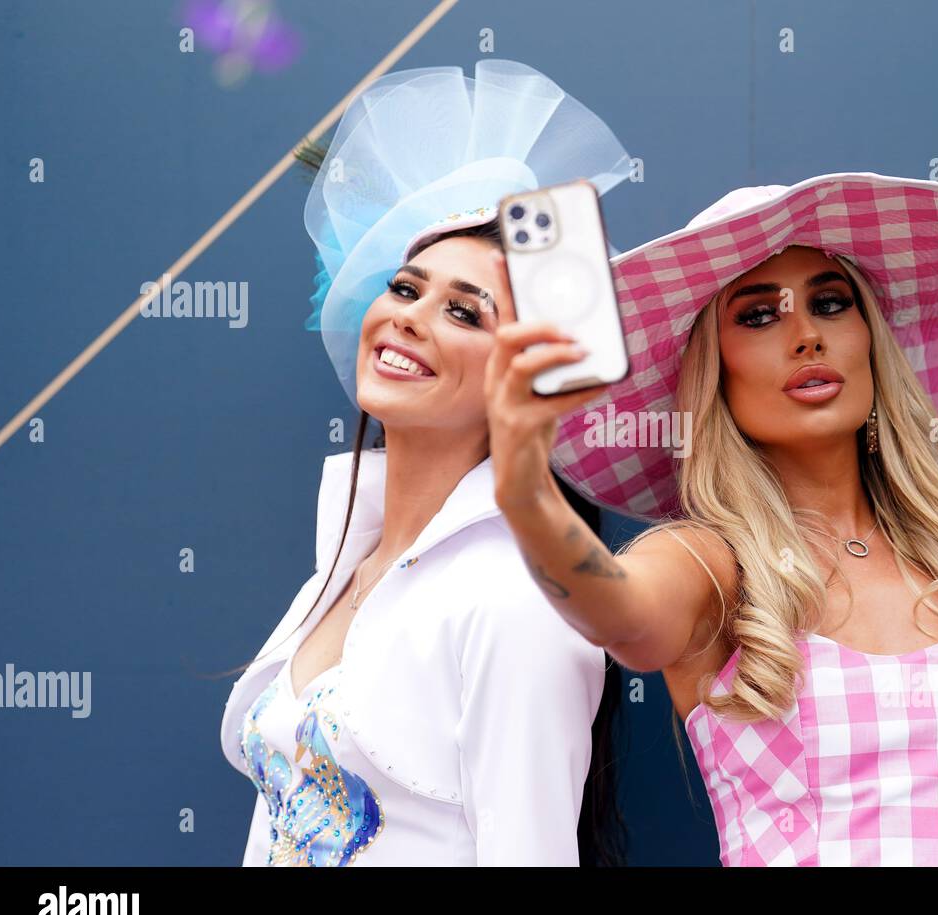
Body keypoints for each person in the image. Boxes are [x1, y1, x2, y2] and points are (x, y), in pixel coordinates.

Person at [485, 172, 938, 866]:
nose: (807, 335)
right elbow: (621, 618)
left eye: (832, 303)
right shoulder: (711, 564)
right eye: (757, 316)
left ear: (870, 340)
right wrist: (524, 492)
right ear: (712, 370)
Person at [217, 60, 632, 866]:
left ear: (528, 374)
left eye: (464, 312)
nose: (410, 320)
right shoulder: (341, 574)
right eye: (405, 288)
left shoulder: (522, 602)